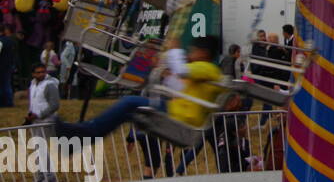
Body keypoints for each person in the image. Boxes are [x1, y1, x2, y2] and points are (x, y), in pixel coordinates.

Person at [54, 36, 225, 140]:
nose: (189, 54)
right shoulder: (202, 74)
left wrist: (175, 50)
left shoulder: (207, 68)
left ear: (203, 53)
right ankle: (82, 136)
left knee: (129, 102)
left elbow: (182, 70)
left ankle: (86, 132)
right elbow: (180, 86)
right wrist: (165, 72)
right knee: (127, 112)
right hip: (180, 111)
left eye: (192, 51)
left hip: (181, 115)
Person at [24, 61, 62, 182]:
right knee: (38, 149)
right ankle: (41, 176)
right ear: (33, 74)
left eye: (42, 72)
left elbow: (54, 105)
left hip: (46, 121)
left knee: (41, 149)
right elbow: (34, 102)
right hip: (35, 121)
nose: (40, 74)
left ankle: (50, 177)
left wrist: (39, 115)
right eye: (37, 72)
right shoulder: (33, 84)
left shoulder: (50, 85)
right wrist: (30, 115)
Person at [0, 24, 18, 107]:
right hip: (9, 65)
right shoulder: (10, 40)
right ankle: (9, 102)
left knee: (2, 85)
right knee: (7, 84)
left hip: (2, 65)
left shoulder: (1, 41)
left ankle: (3, 102)